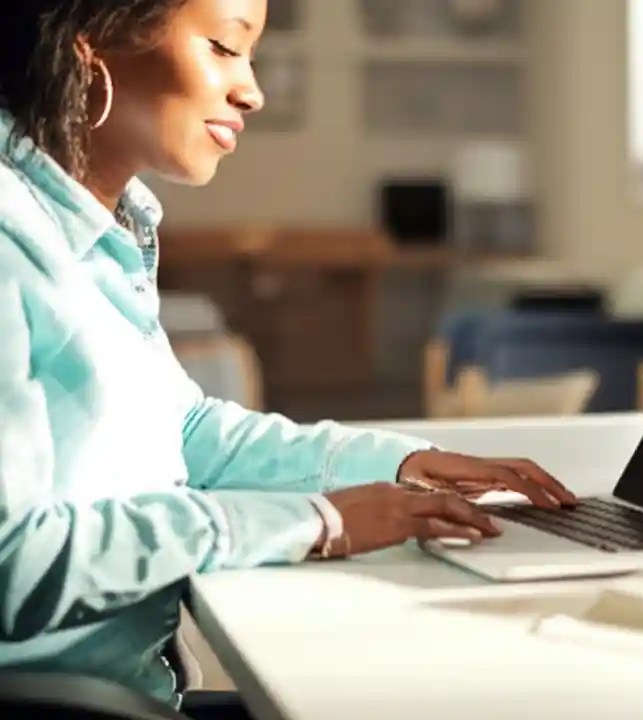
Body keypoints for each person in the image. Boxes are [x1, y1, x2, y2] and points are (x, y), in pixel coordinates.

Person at [0, 1, 576, 718]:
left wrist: (401, 465)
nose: (252, 90)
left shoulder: (98, 225)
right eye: (222, 47)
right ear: (91, 49)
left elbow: (181, 430)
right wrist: (312, 522)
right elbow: (12, 562)